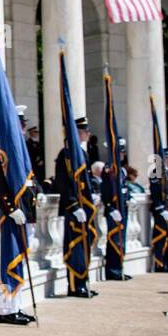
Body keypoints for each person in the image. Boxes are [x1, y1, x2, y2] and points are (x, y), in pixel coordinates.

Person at [0, 122, 37, 324]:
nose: (21, 127)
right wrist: (11, 209)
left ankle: (16, 306)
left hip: (25, 214)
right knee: (9, 259)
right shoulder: (1, 148)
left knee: (20, 260)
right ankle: (6, 309)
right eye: (19, 123)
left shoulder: (19, 146)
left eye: (22, 124)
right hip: (10, 214)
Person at [53, 116, 96, 297]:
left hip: (83, 208)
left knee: (84, 246)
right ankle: (74, 285)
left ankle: (83, 281)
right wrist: (73, 204)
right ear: (77, 132)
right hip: (74, 209)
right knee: (75, 247)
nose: (88, 134)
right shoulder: (66, 154)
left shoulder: (81, 153)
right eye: (85, 131)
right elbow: (62, 183)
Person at [149, 149, 168, 272]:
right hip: (160, 210)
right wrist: (160, 208)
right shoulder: (155, 171)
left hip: (167, 208)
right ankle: (160, 264)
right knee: (160, 237)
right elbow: (155, 192)